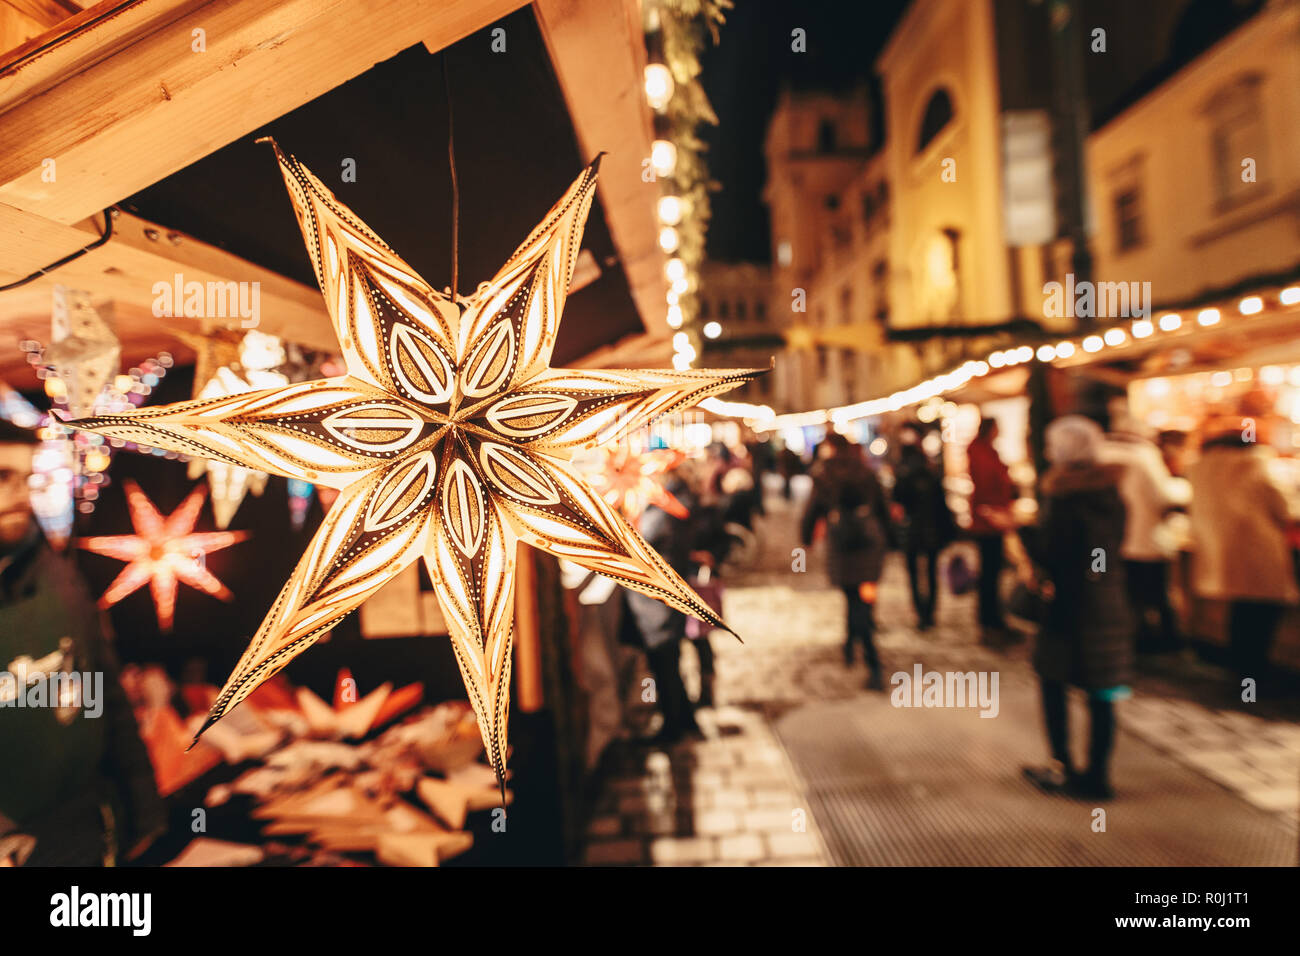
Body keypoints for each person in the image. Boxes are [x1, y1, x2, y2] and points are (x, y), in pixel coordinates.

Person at [0, 420, 164, 865]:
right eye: (1, 476)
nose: (19, 493)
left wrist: (144, 809)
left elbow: (101, 693)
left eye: (26, 476)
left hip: (88, 830)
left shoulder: (57, 576)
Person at [1022, 416, 1134, 801]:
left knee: (1053, 683)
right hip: (1107, 602)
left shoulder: (1064, 496)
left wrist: (1020, 532)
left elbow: (1056, 554)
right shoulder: (1110, 494)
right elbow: (1102, 553)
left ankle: (1062, 766)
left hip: (1069, 606)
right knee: (1102, 692)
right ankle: (1098, 776)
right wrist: (1097, 574)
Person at [1188, 417, 1298, 692]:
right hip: (1258, 549)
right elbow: (1285, 508)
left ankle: (1241, 672)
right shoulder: (1258, 464)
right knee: (1262, 612)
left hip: (1221, 550)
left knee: (1241, 611)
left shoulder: (1202, 466)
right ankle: (1255, 676)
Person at [800, 432, 889, 689]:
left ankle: (870, 660)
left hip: (842, 543)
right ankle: (851, 645)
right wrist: (889, 538)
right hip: (869, 541)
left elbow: (813, 508)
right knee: (862, 597)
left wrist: (806, 538)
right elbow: (881, 505)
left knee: (854, 598)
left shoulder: (825, 472)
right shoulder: (864, 468)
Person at [625, 463, 701, 745]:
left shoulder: (667, 506)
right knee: (670, 660)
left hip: (658, 600)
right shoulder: (676, 501)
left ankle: (673, 725)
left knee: (664, 660)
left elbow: (644, 543)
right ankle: (685, 718)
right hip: (667, 595)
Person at [1099, 411, 1188, 653]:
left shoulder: (1100, 453)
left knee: (1128, 594)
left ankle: (1132, 639)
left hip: (1113, 542)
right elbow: (1162, 496)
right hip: (1144, 539)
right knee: (1158, 594)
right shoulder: (1143, 456)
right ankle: (1166, 643)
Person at [892, 423, 954, 630]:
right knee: (930, 571)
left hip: (912, 528)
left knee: (913, 573)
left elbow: (897, 499)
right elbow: (941, 502)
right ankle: (929, 612)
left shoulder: (903, 472)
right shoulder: (930, 470)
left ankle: (921, 612)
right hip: (930, 527)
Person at [966, 417, 1016, 644]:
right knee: (990, 573)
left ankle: (993, 618)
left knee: (992, 572)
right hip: (989, 521)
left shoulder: (986, 451)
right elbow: (988, 483)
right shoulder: (980, 452)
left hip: (993, 518)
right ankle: (990, 620)